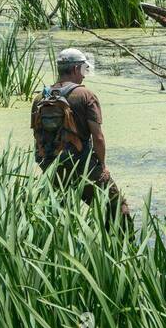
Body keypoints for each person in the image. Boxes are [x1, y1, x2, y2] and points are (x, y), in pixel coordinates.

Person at [31, 47, 131, 227]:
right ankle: (122, 248)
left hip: (52, 167)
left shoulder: (39, 98)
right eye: (84, 70)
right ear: (76, 69)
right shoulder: (85, 95)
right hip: (83, 166)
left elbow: (37, 135)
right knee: (116, 207)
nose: (84, 75)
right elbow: (98, 137)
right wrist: (102, 165)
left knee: (61, 212)